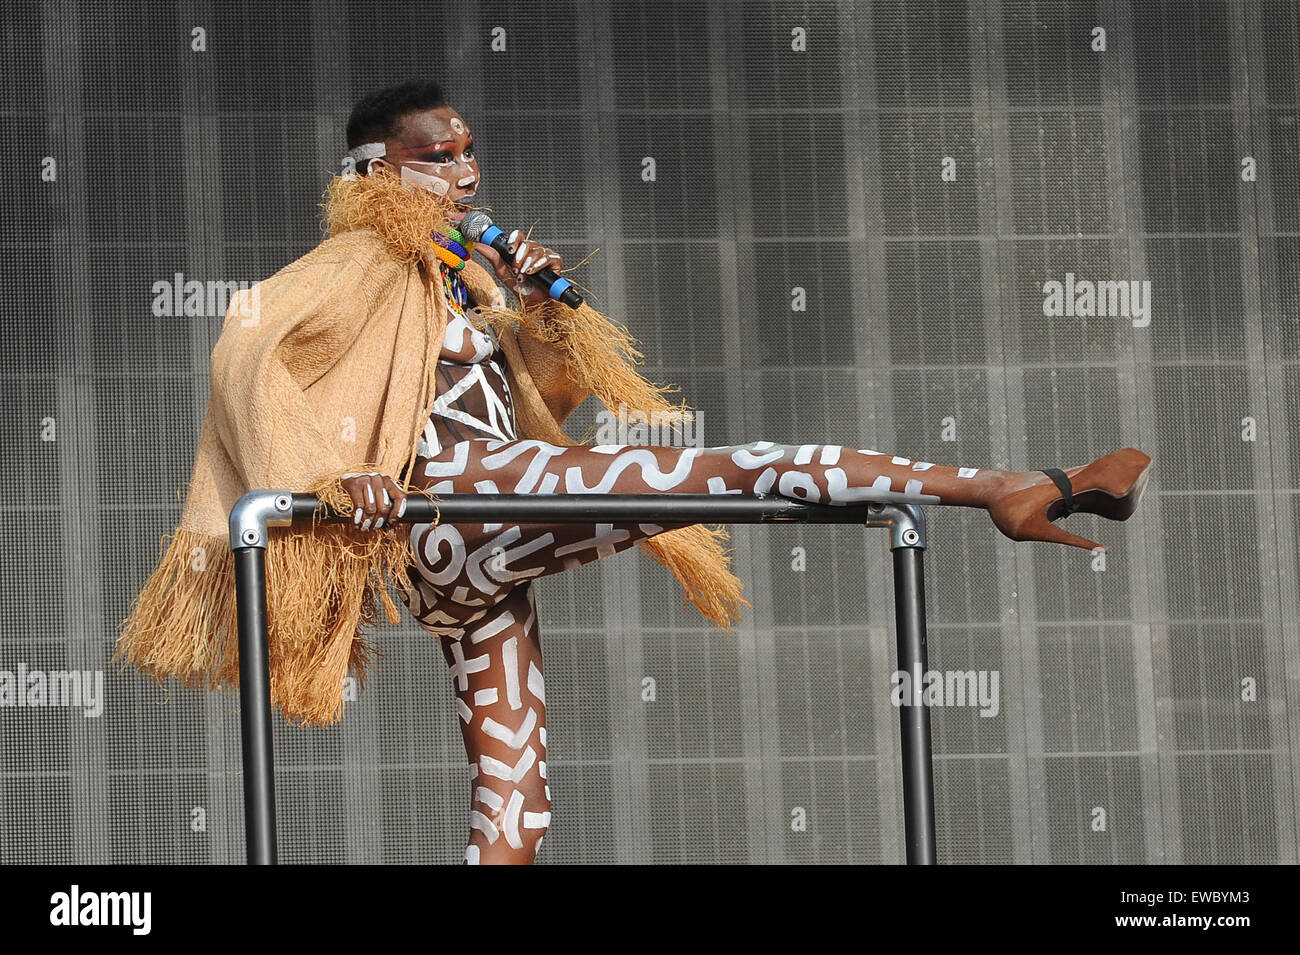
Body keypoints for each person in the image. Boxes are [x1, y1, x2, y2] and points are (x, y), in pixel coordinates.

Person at [117, 80, 1152, 866]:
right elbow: (244, 355)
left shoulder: (460, 280)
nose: (465, 173)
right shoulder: (352, 266)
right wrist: (337, 480)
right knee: (718, 471)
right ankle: (993, 487)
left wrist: (545, 310)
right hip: (447, 510)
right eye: (437, 158)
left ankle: (997, 488)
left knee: (513, 802)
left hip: (486, 529)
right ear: (378, 175)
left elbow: (541, 401)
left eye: (469, 153)